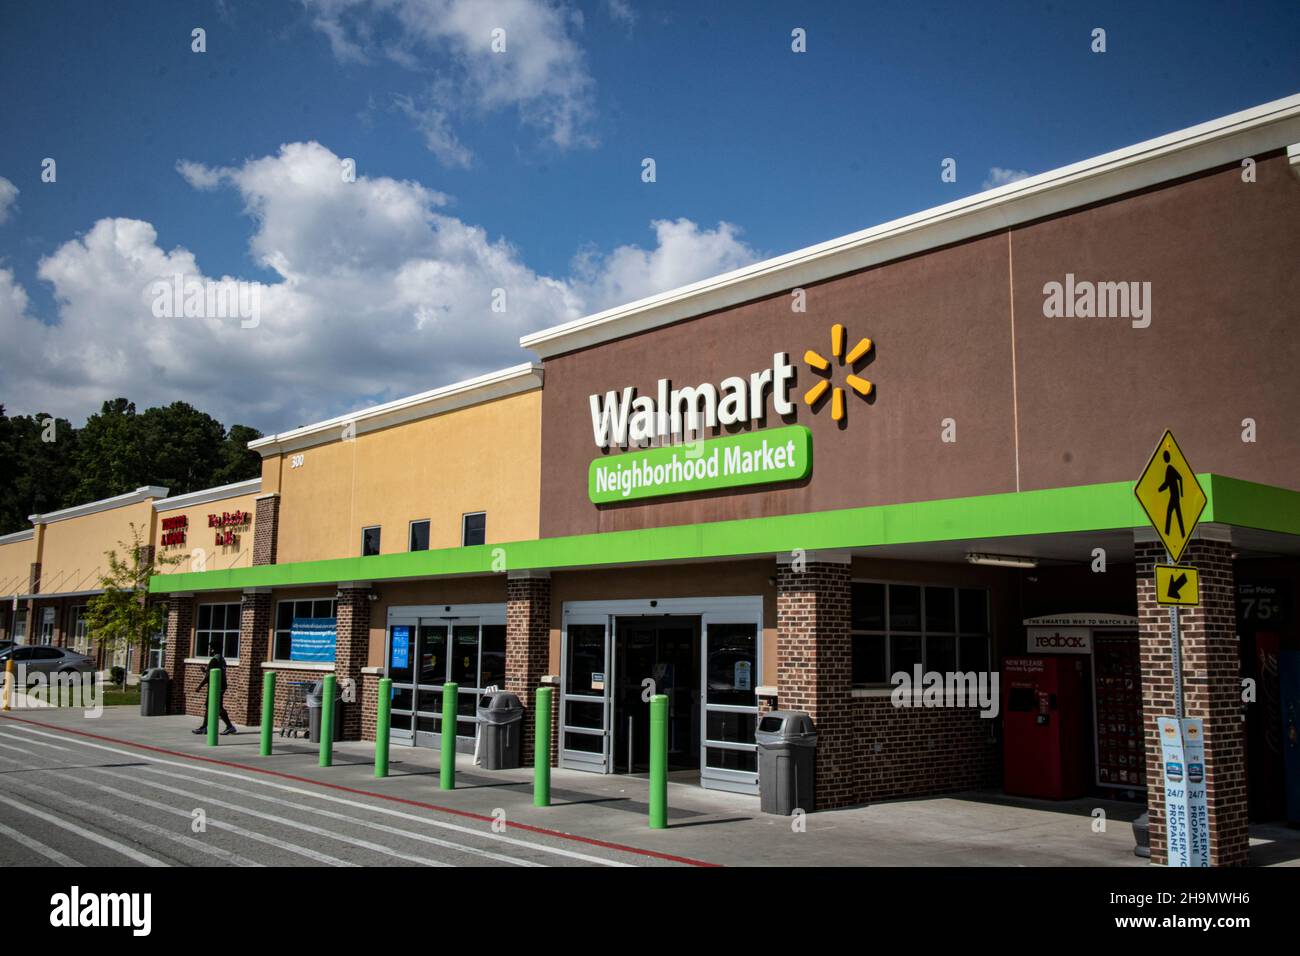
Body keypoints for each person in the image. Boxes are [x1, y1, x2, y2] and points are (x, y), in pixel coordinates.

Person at [192, 653, 237, 735]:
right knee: (210, 706)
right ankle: (204, 727)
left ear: (214, 649)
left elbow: (209, 676)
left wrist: (199, 686)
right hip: (221, 685)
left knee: (217, 707)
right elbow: (215, 671)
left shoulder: (214, 660)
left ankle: (229, 726)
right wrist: (205, 671)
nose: (209, 650)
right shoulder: (221, 659)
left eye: (211, 647)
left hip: (216, 686)